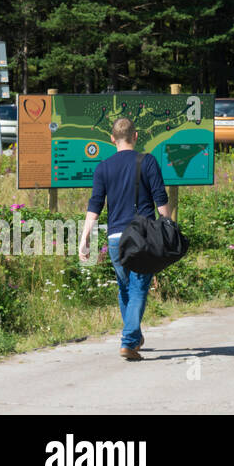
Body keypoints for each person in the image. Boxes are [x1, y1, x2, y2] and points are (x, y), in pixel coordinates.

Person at [78, 118, 170, 361]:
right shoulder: (147, 161)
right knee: (139, 286)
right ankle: (128, 341)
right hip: (142, 235)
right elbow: (161, 199)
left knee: (125, 287)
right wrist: (168, 227)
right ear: (136, 136)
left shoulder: (103, 168)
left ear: (112, 139)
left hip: (116, 238)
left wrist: (84, 239)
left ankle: (135, 336)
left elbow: (94, 207)